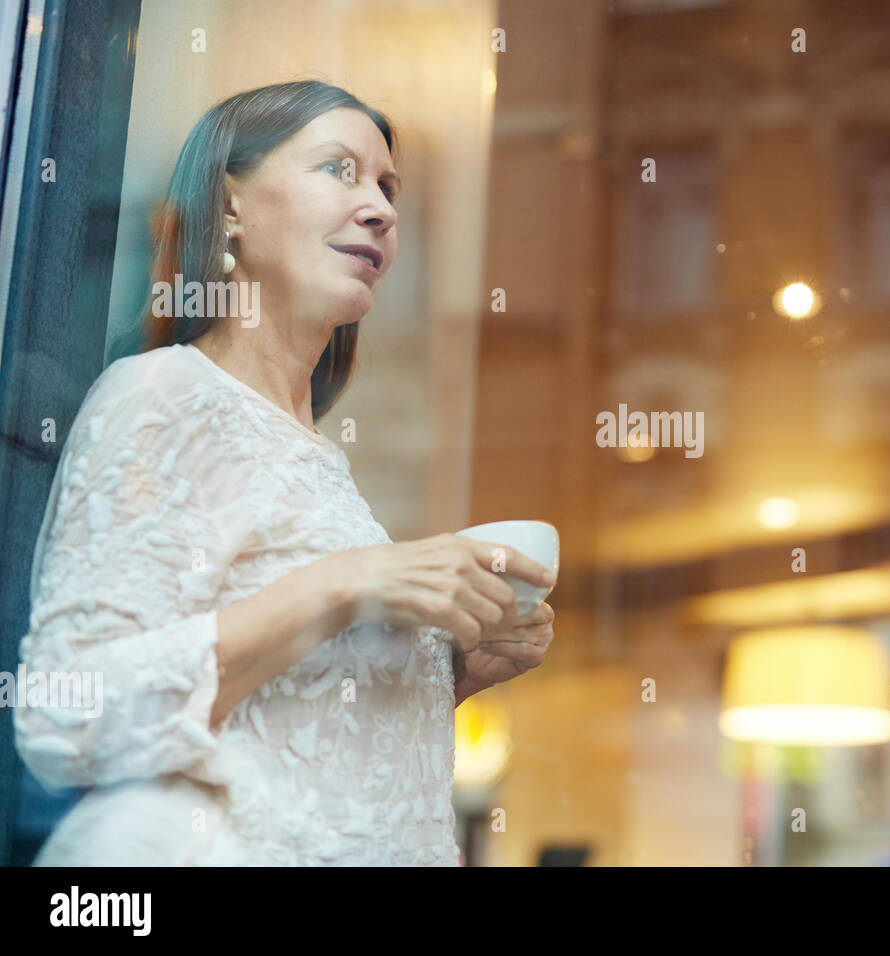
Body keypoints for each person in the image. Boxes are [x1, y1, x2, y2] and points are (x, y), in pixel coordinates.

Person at [14, 80, 555, 865]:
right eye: (340, 170)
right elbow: (69, 713)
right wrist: (341, 585)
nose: (380, 208)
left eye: (387, 187)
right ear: (231, 205)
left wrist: (456, 674)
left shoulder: (320, 462)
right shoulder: (164, 397)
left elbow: (297, 744)